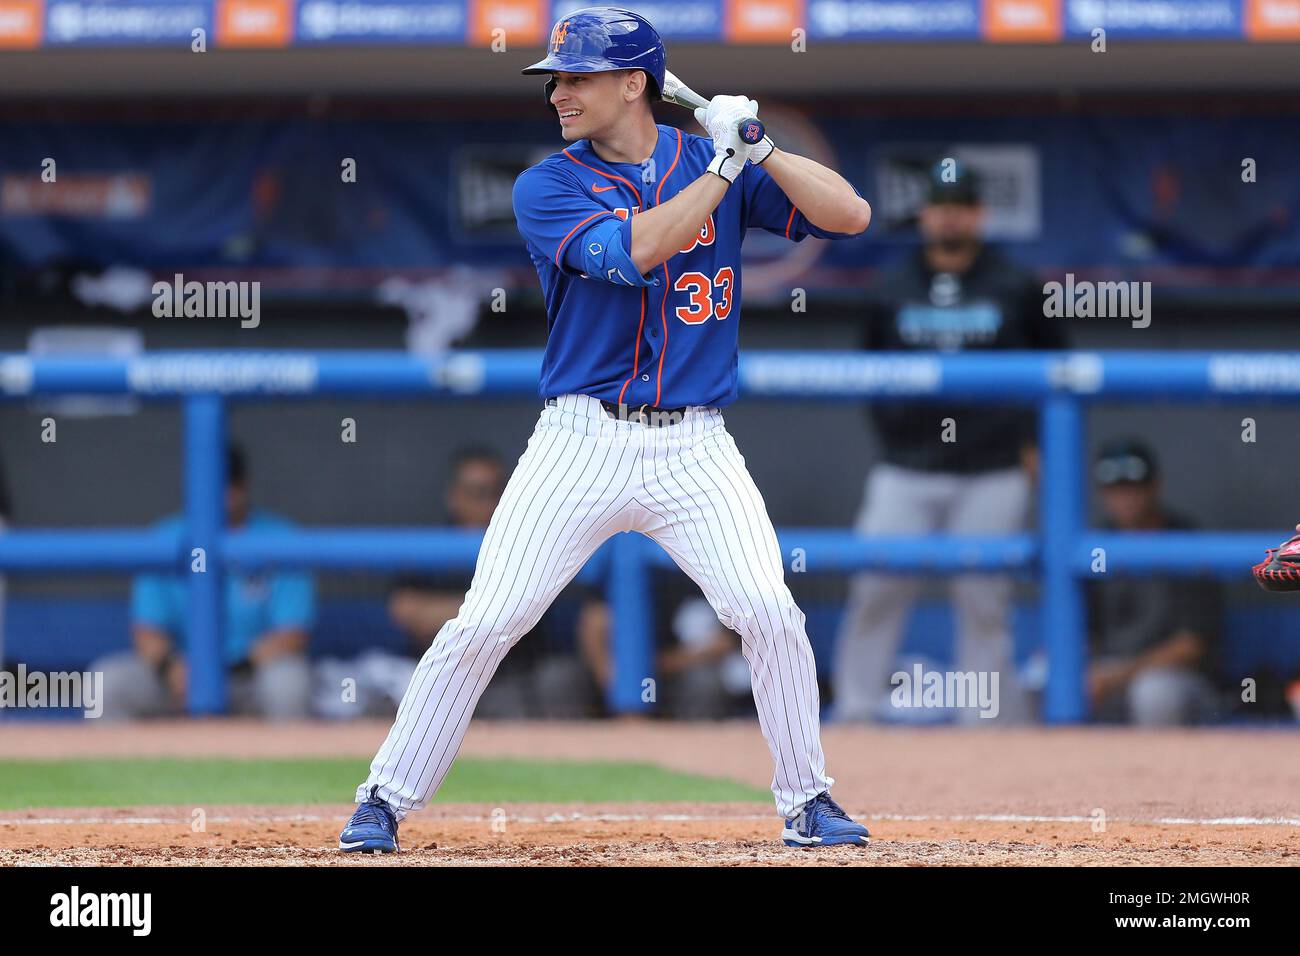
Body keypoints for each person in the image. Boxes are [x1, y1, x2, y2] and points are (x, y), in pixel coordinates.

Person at [338, 6, 873, 854]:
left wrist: (761, 148)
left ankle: (807, 798)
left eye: (579, 77)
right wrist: (729, 170)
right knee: (486, 623)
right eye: (557, 77)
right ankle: (384, 798)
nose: (559, 92)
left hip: (695, 445)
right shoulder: (549, 184)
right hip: (581, 441)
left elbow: (850, 215)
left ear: (636, 85)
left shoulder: (716, 157)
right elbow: (635, 253)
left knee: (770, 611)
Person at [832, 160, 1066, 726]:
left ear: (978, 214)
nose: (950, 217)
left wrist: (1033, 446)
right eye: (940, 207)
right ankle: (857, 712)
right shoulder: (892, 286)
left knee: (984, 600)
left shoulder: (1014, 284)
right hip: (906, 466)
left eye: (960, 206)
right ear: (926, 214)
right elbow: (866, 371)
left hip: (992, 466)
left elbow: (1058, 371)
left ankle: (988, 725)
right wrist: (895, 434)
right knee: (877, 586)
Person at [324, 446, 596, 719]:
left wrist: (444, 613)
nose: (488, 502)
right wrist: (490, 610)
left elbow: (528, 616)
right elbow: (405, 610)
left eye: (495, 492)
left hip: (510, 679)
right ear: (454, 496)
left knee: (559, 679)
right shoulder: (432, 545)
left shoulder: (525, 544)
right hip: (437, 680)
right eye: (477, 493)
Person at [96, 444, 316, 720]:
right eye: (215, 485)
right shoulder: (165, 537)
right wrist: (172, 669)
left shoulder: (281, 538)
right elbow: (146, 630)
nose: (225, 494)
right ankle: (123, 764)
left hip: (248, 675)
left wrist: (230, 671)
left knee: (289, 683)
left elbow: (292, 634)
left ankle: (287, 763)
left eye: (231, 483)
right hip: (179, 676)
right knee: (106, 681)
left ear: (244, 484)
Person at [1086, 439, 1222, 725]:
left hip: (1176, 678)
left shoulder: (1185, 541)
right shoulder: (1094, 546)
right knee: (1055, 686)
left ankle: (1155, 771)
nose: (1125, 497)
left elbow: (1192, 646)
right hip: (1111, 674)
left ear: (1154, 486)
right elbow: (1086, 633)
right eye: (1116, 488)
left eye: (1133, 486)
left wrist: (1121, 675)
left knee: (1154, 693)